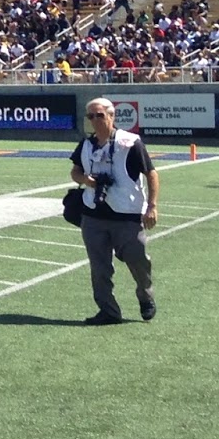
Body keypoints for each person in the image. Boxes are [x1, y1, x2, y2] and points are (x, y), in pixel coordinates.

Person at [71, 98, 158, 324]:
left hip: (127, 214)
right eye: (90, 116)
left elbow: (151, 173)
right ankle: (108, 311)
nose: (95, 120)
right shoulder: (86, 144)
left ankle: (145, 295)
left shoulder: (130, 142)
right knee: (99, 268)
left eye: (99, 115)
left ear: (112, 116)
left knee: (138, 260)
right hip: (93, 214)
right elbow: (75, 172)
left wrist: (152, 206)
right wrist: (86, 180)